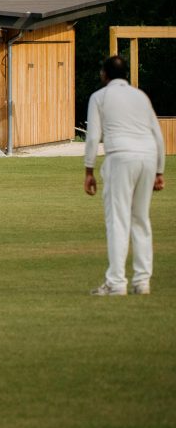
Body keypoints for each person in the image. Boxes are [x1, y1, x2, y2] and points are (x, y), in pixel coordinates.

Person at [83, 55, 165, 296]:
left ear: (104, 75)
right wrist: (160, 171)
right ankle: (142, 281)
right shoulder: (140, 96)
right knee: (140, 219)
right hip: (148, 156)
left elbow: (92, 137)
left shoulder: (99, 97)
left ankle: (116, 282)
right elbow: (157, 135)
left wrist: (89, 170)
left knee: (118, 220)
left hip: (120, 156)